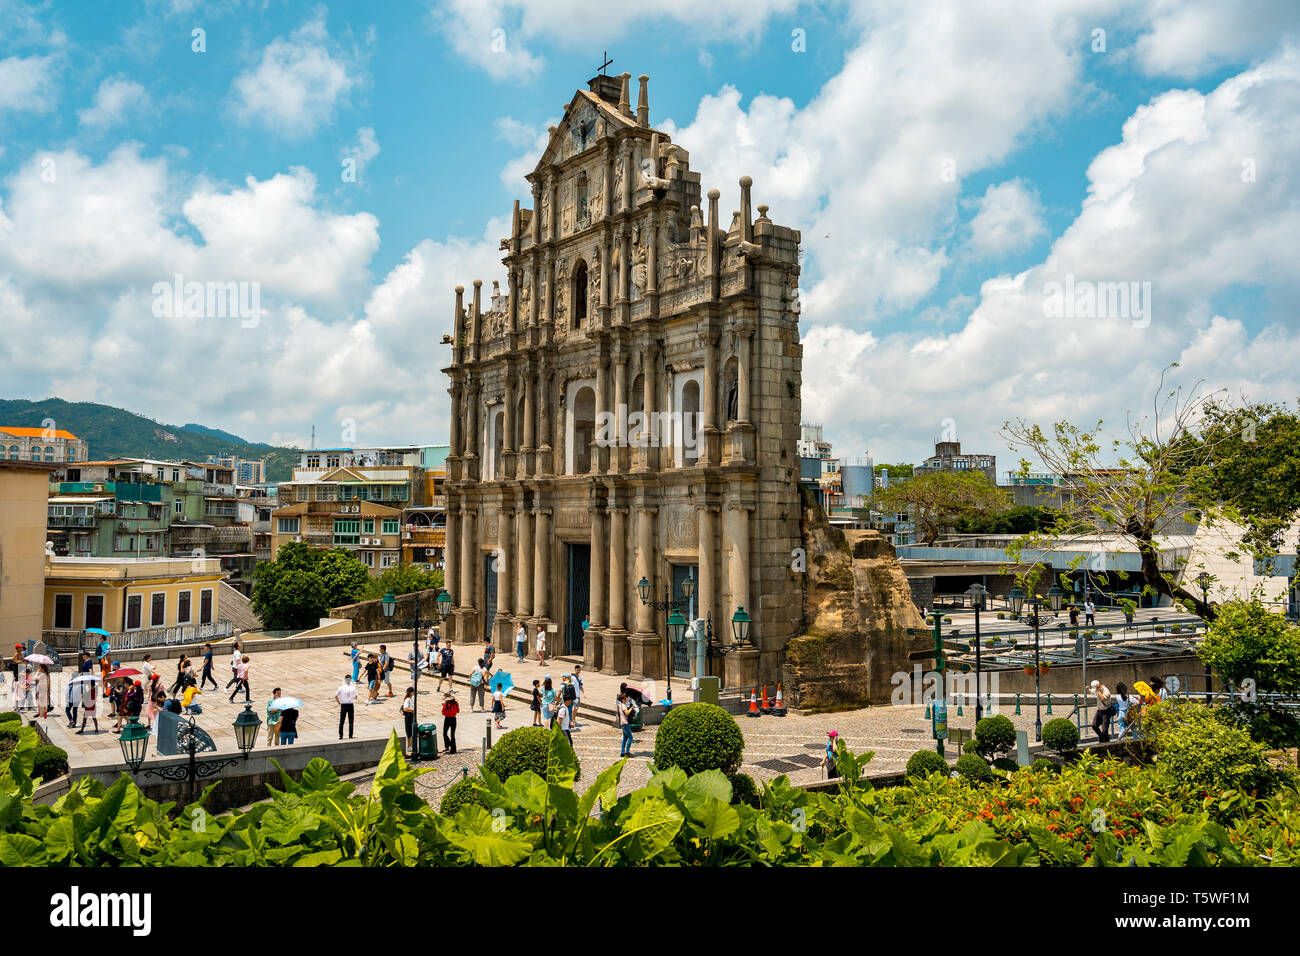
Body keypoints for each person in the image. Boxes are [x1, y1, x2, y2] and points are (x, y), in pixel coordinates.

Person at [336, 674, 357, 739]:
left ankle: (341, 735)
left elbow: (335, 696)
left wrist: (339, 702)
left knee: (342, 721)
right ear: (350, 680)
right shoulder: (353, 687)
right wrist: (352, 697)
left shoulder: (341, 687)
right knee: (351, 721)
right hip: (350, 704)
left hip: (343, 705)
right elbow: (356, 697)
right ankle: (350, 735)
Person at [617, 692, 634, 757]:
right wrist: (631, 708)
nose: (626, 699)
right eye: (625, 698)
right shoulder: (623, 706)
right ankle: (627, 751)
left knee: (624, 738)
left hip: (622, 723)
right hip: (625, 723)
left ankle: (622, 752)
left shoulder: (620, 705)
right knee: (630, 738)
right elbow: (626, 713)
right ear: (623, 699)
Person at [401, 687, 417, 756]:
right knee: (409, 732)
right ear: (410, 692)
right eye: (413, 692)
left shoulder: (410, 699)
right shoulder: (407, 699)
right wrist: (412, 709)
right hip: (408, 717)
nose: (414, 693)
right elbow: (405, 709)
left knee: (411, 731)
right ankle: (409, 747)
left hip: (411, 717)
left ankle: (410, 746)